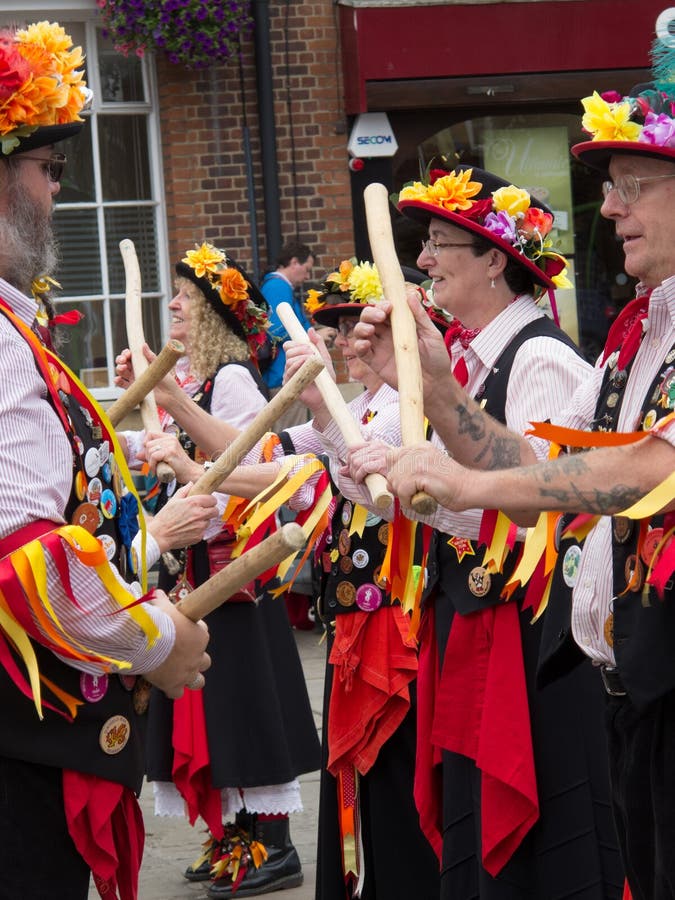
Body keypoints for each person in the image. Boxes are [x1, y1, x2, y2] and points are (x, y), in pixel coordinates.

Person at [351, 81, 675, 900]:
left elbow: (645, 469)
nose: (608, 209)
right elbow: (529, 462)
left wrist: (459, 476)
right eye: (608, 189)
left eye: (631, 186)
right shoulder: (637, 334)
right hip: (634, 686)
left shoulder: (581, 345)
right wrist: (434, 384)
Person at [0, 21, 213, 900]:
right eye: (48, 170)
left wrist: (127, 451)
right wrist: (157, 643)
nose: (58, 190)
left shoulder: (18, 329)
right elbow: (24, 555)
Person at [116, 242, 321, 898]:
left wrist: (173, 415)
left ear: (210, 310)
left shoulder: (229, 380)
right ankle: (232, 840)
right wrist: (147, 407)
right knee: (216, 713)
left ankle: (273, 845)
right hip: (196, 567)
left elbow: (246, 473)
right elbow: (171, 454)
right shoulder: (202, 380)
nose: (173, 305)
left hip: (237, 572)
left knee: (246, 708)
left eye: (184, 296)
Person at [283, 262, 441, 899]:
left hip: (397, 630)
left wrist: (323, 410)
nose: (350, 341)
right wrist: (183, 441)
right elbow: (278, 471)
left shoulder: (413, 408)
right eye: (344, 329)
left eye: (361, 327)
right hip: (352, 625)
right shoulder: (365, 410)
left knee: (394, 788)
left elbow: (375, 489)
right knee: (361, 792)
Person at [261, 241, 315, 429]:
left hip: (284, 373)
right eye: (307, 269)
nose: (307, 276)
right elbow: (276, 329)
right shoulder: (277, 286)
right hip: (283, 374)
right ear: (294, 262)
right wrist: (310, 338)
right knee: (291, 435)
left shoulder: (276, 286)